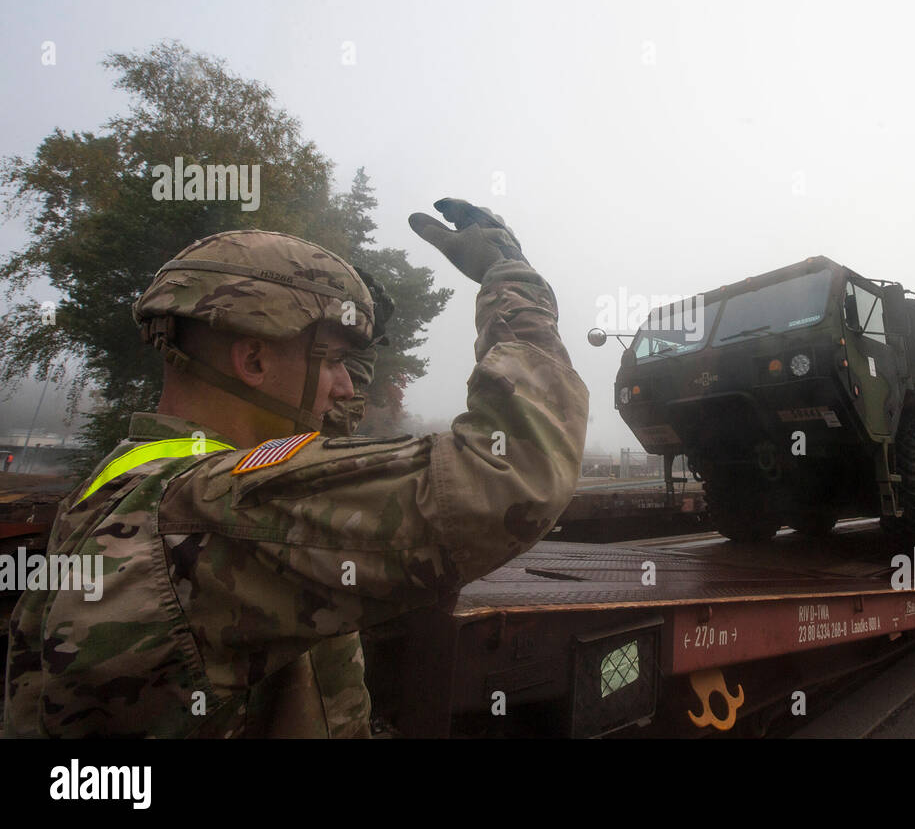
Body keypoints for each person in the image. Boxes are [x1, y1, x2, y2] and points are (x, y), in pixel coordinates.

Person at [3, 199, 589, 737]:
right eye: (331, 359)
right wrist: (511, 280)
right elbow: (515, 472)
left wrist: (347, 337)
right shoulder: (205, 506)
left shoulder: (141, 475)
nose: (344, 386)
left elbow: (316, 435)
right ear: (253, 358)